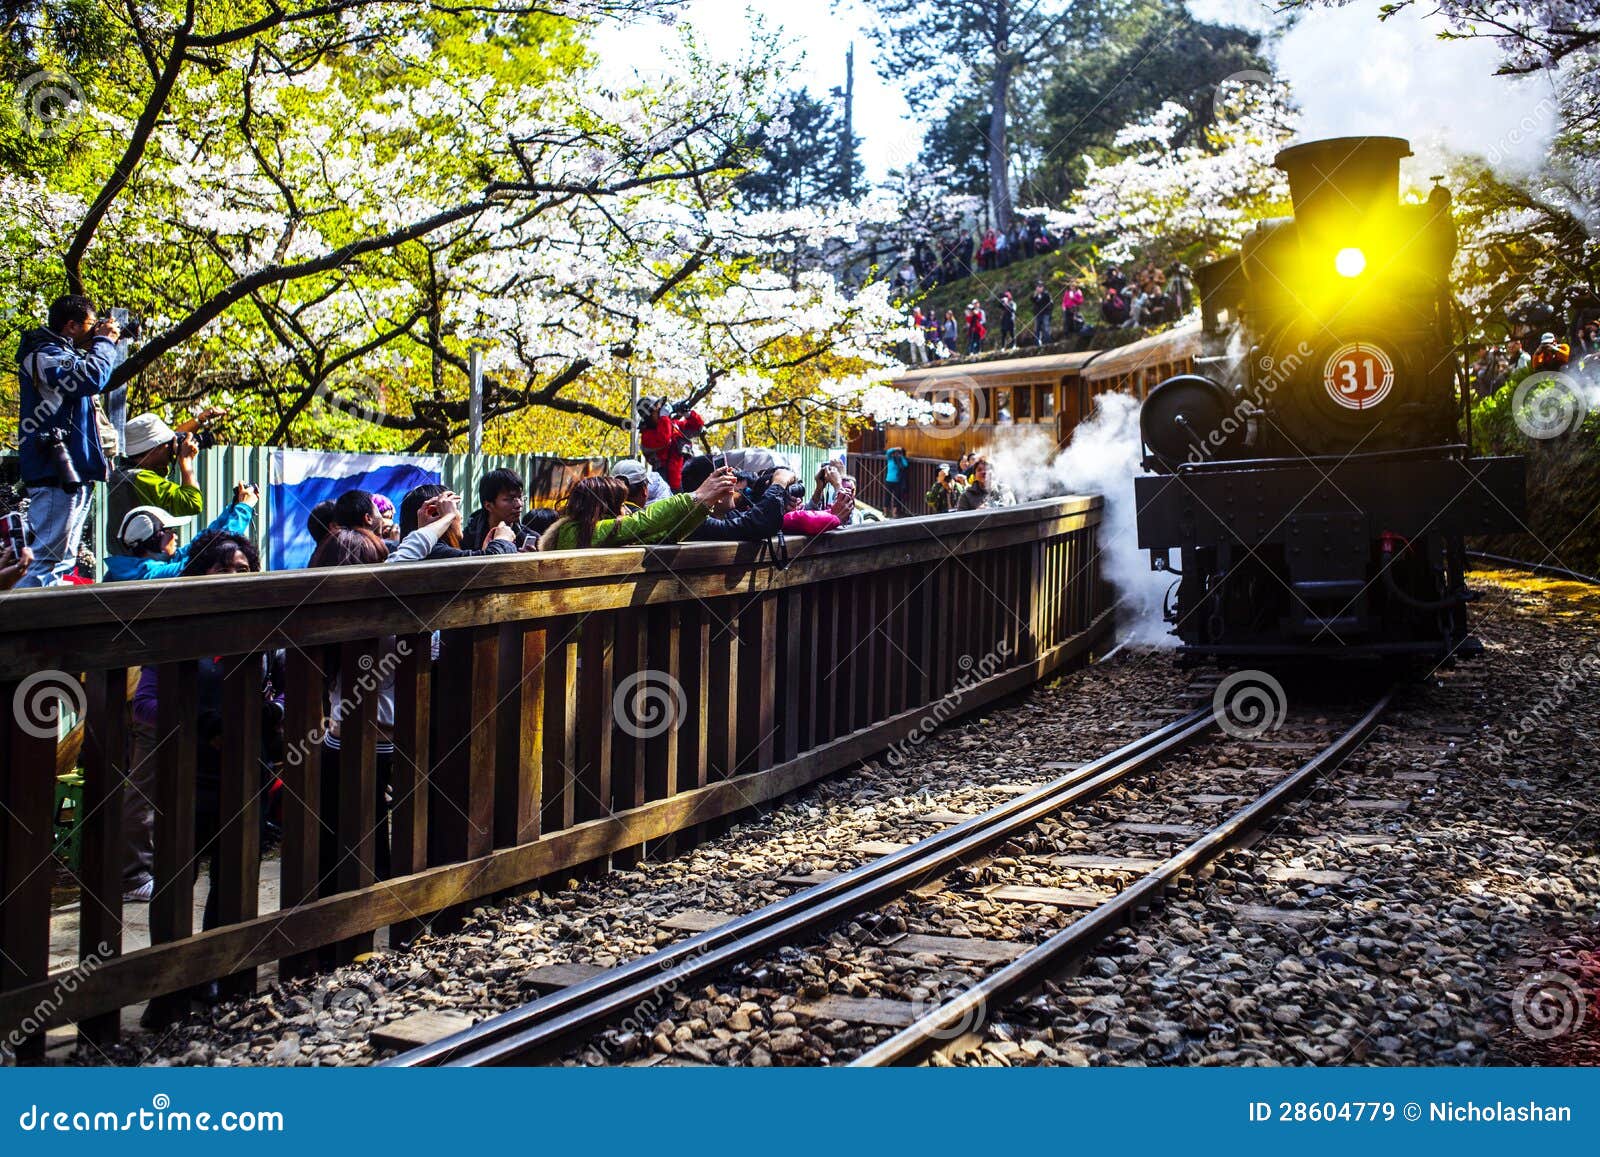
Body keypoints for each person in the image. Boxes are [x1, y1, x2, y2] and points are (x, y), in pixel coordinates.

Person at [132, 529, 282, 1024]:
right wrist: (202, 720)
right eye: (223, 569)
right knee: (176, 878)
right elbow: (146, 704)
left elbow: (284, 689)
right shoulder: (174, 633)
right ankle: (169, 986)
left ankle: (218, 974)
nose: (236, 578)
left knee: (234, 876)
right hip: (189, 776)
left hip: (247, 773)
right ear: (198, 574)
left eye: (244, 569)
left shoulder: (264, 630)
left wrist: (270, 713)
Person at [309, 527, 401, 896]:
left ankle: (337, 910)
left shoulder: (317, 617)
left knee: (339, 833)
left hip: (336, 739)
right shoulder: (387, 622)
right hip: (380, 743)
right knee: (373, 835)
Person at [14, 294, 122, 587]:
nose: (95, 331)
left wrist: (102, 343)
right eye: (90, 325)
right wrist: (104, 343)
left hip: (72, 471)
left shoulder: (63, 352)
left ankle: (45, 624)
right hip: (54, 471)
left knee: (61, 560)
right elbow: (90, 378)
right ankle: (20, 625)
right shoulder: (43, 354)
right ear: (71, 326)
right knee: (43, 559)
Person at [538, 467, 740, 550]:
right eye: (619, 504)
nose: (625, 509)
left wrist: (704, 504)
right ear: (600, 508)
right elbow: (642, 523)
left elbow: (666, 535)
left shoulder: (587, 530)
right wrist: (697, 496)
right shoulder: (577, 531)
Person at [104, 483, 259, 582]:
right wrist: (244, 508)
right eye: (170, 531)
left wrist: (233, 507)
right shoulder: (149, 575)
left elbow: (205, 539)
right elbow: (213, 549)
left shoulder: (141, 567)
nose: (175, 535)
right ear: (154, 537)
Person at [105, 412, 203, 552]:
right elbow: (191, 503)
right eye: (168, 444)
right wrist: (185, 461)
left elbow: (157, 471)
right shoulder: (142, 479)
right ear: (155, 448)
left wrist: (198, 420)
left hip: (125, 562)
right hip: (143, 566)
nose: (172, 448)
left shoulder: (124, 473)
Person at [679, 460, 798, 542]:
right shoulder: (698, 525)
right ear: (711, 490)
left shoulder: (729, 515)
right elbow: (755, 525)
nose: (734, 484)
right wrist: (779, 483)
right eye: (728, 479)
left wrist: (782, 508)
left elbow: (755, 518)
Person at [391, 485, 517, 561]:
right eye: (454, 509)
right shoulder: (434, 551)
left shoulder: (427, 551)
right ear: (432, 513)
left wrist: (484, 552)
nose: (460, 516)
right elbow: (491, 565)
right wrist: (503, 539)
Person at [637, 396, 705, 491]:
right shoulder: (647, 436)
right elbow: (664, 439)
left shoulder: (671, 425)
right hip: (670, 484)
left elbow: (697, 428)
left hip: (689, 475)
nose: (662, 410)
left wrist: (688, 414)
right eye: (658, 408)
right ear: (649, 414)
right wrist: (664, 417)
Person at [462, 467, 536, 550]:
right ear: (488, 506)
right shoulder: (466, 539)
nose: (519, 504)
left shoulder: (531, 538)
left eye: (520, 497)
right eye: (510, 499)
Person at [884, 446, 911, 516]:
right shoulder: (890, 459)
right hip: (889, 481)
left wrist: (901, 456)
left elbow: (906, 464)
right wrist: (896, 448)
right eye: (895, 453)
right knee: (887, 497)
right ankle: (885, 512)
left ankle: (894, 513)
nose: (896, 454)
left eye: (898, 453)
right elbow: (888, 452)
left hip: (897, 481)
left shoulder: (900, 460)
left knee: (897, 497)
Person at [1030, 281, 1053, 347]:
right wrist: (1035, 295)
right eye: (1037, 287)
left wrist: (1049, 312)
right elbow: (1033, 300)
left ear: (1042, 287)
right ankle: (1037, 343)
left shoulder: (1046, 294)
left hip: (1045, 314)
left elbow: (1049, 302)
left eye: (1040, 287)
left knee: (1046, 327)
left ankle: (1047, 342)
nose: (1038, 288)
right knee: (1037, 328)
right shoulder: (1036, 295)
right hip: (1037, 314)